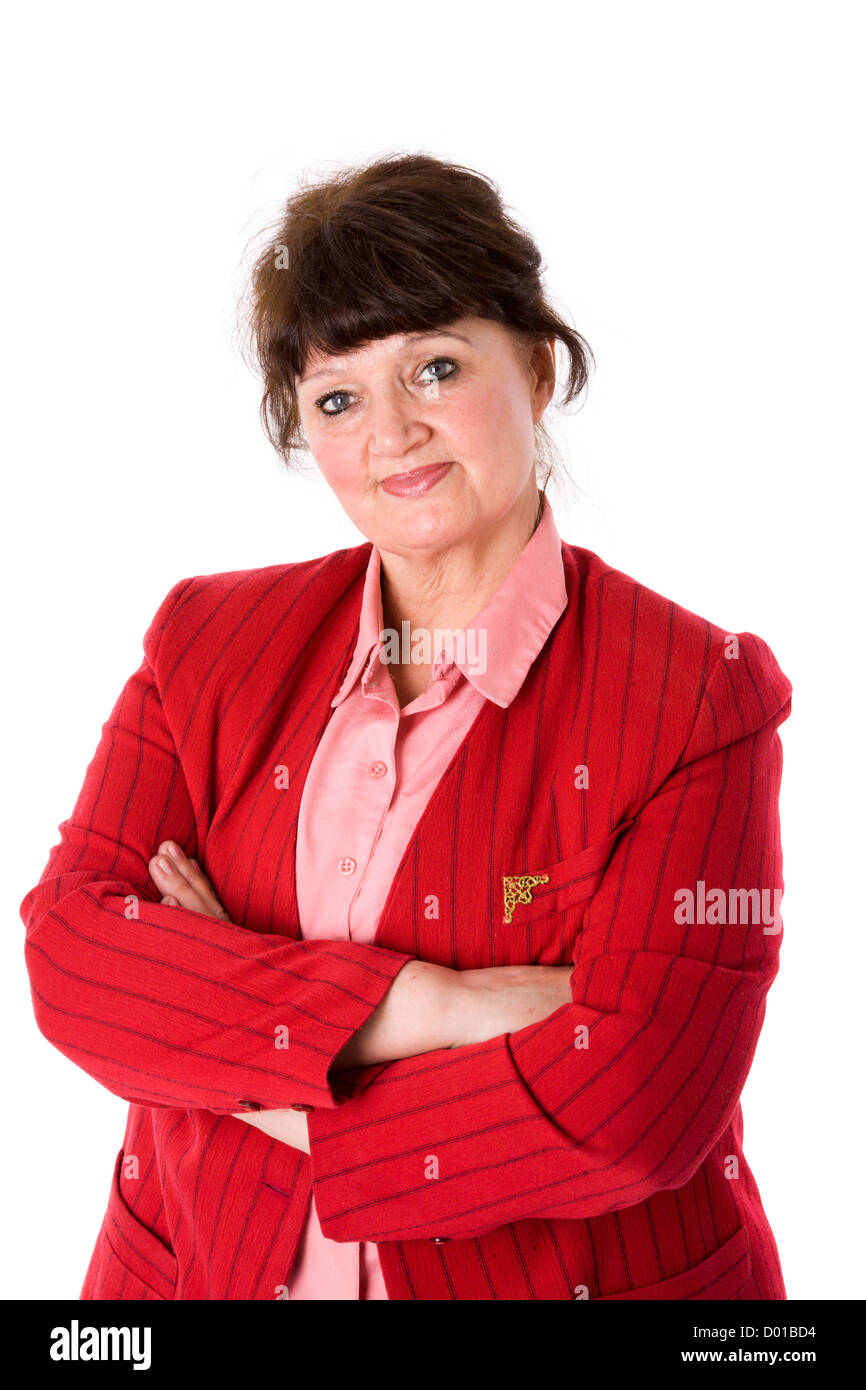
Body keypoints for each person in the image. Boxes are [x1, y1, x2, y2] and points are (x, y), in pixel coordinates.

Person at [20, 151, 792, 1300]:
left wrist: (228, 1026)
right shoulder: (209, 640)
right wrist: (435, 1006)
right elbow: (76, 960)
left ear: (535, 368)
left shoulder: (693, 696)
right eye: (339, 397)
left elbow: (635, 1108)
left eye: (434, 367)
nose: (391, 434)